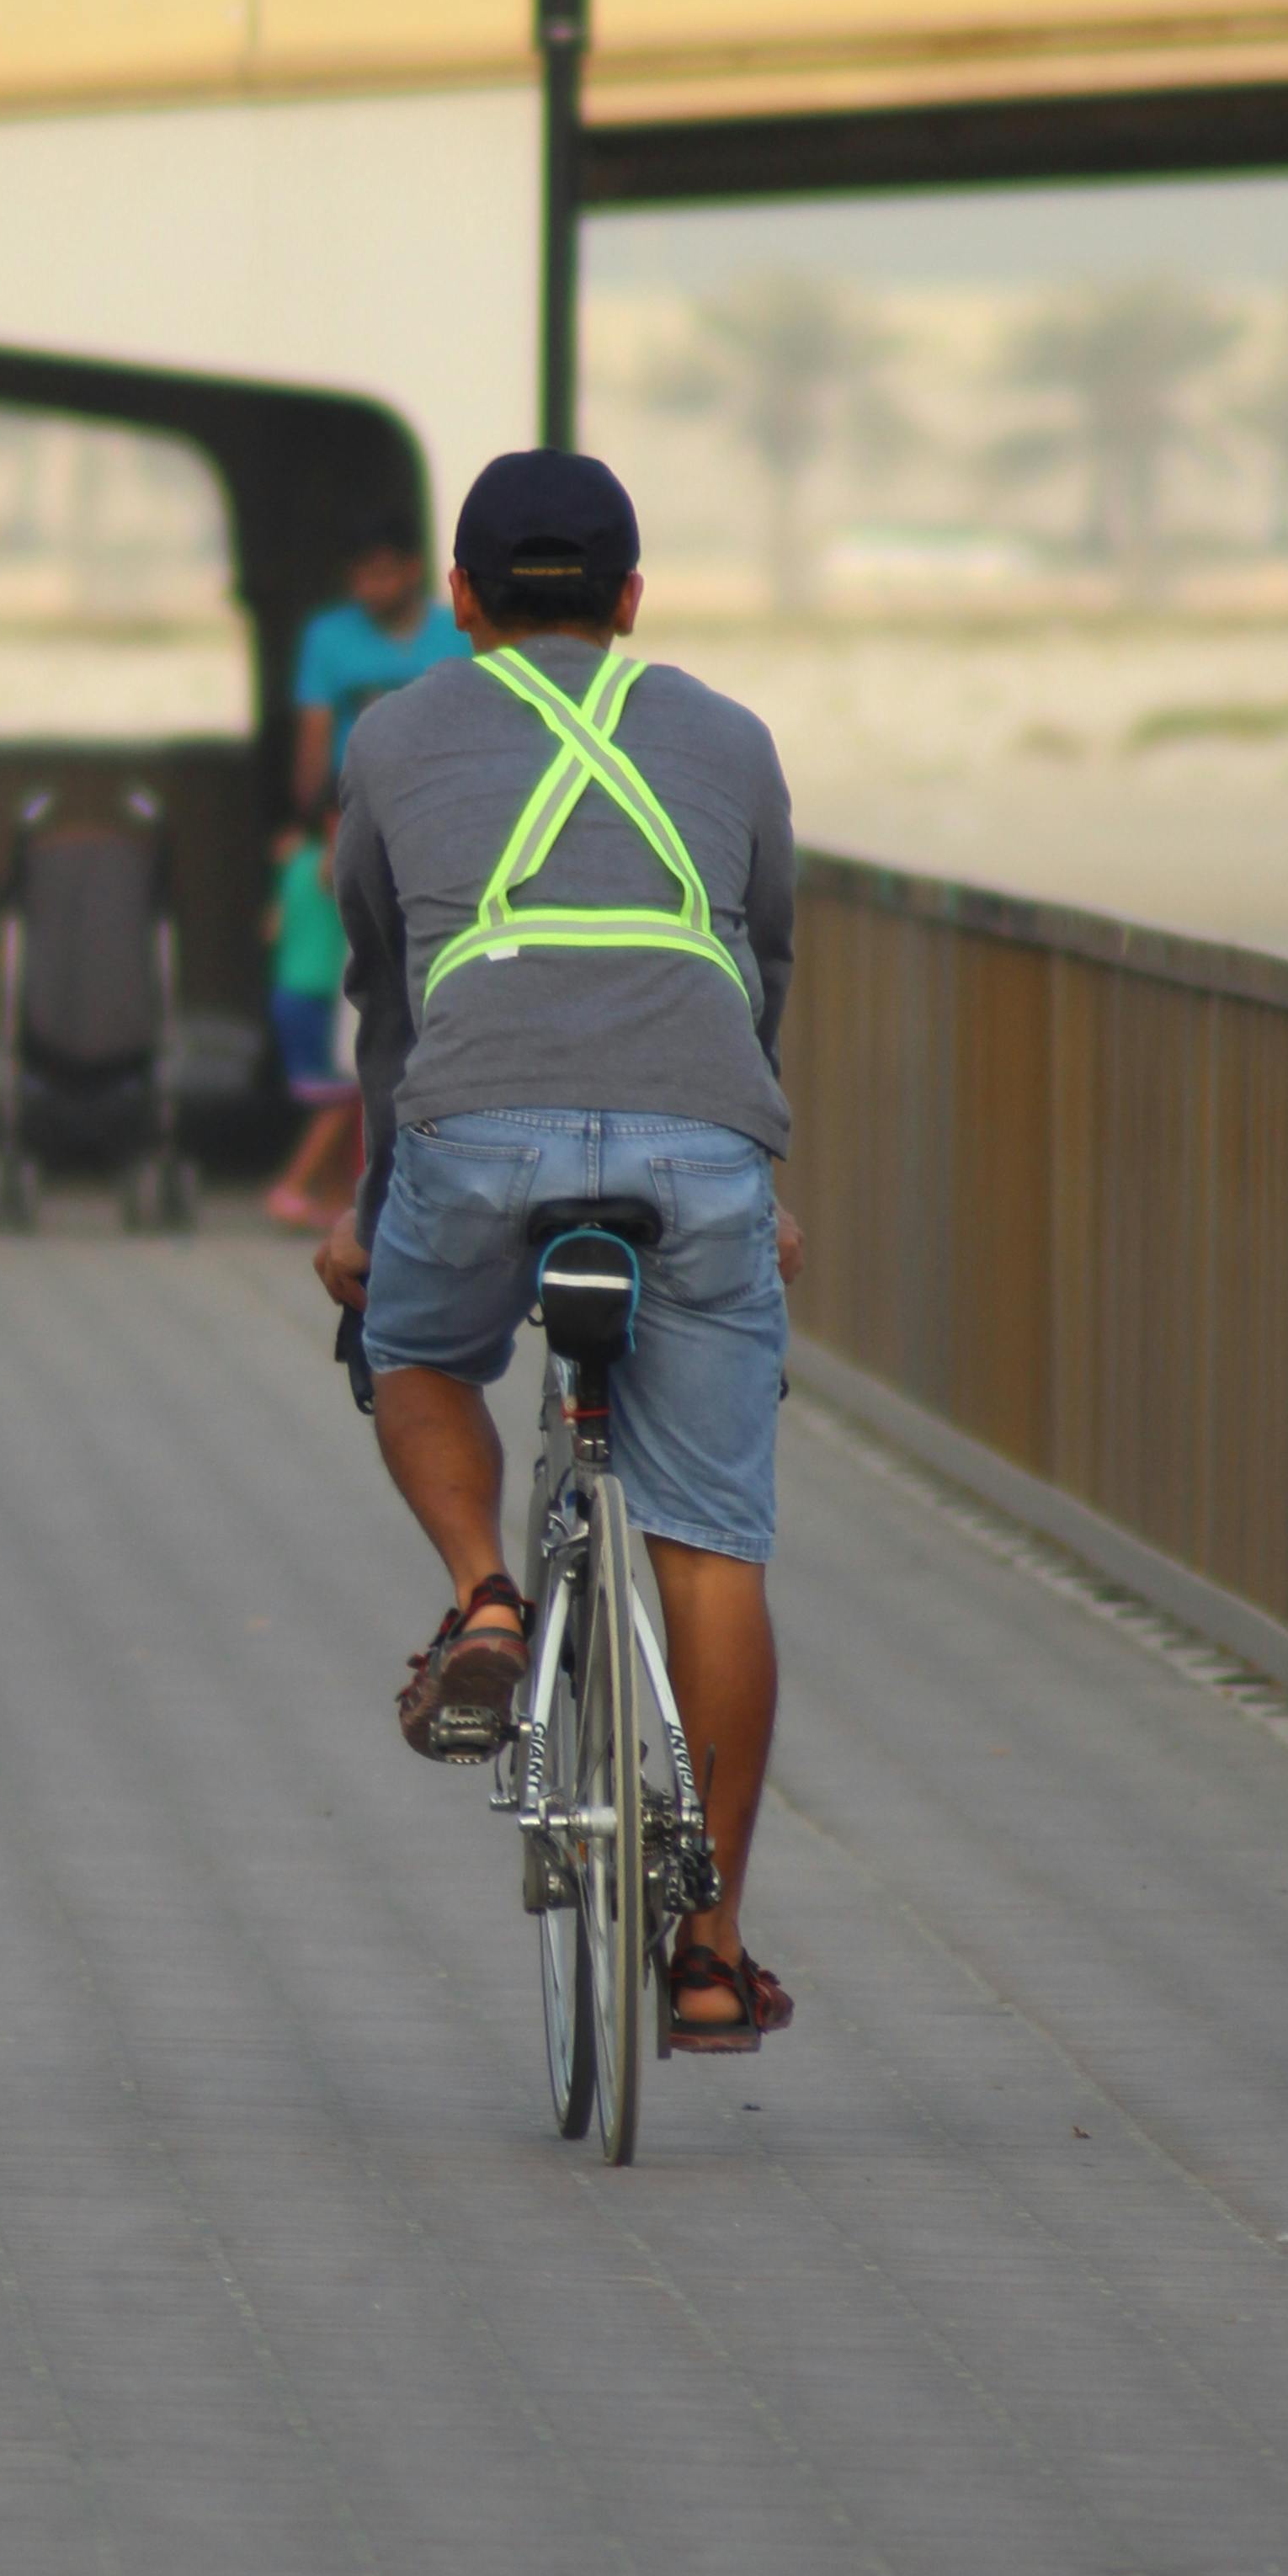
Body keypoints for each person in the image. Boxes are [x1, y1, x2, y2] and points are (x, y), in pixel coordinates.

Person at [312, 449, 805, 2052]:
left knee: (413, 1345)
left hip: (478, 1132)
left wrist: (375, 1212)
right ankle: (714, 1945)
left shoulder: (392, 735)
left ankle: (484, 1600)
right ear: (633, 599)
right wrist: (745, 1160)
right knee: (714, 1543)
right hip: (702, 1145)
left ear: (457, 604)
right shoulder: (727, 735)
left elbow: (392, 996)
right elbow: (760, 960)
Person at [290, 509, 469, 822]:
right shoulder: (327, 636)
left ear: (413, 570)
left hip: (445, 797)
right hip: (355, 804)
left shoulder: (459, 630)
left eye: (380, 574)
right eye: (359, 577)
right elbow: (314, 738)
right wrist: (307, 824)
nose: (368, 588)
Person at [262, 814, 365, 1230]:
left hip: (288, 989)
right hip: (317, 994)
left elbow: (271, 928)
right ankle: (291, 1187)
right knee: (340, 1097)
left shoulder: (294, 861)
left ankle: (337, 1199)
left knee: (328, 1094)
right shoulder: (329, 861)